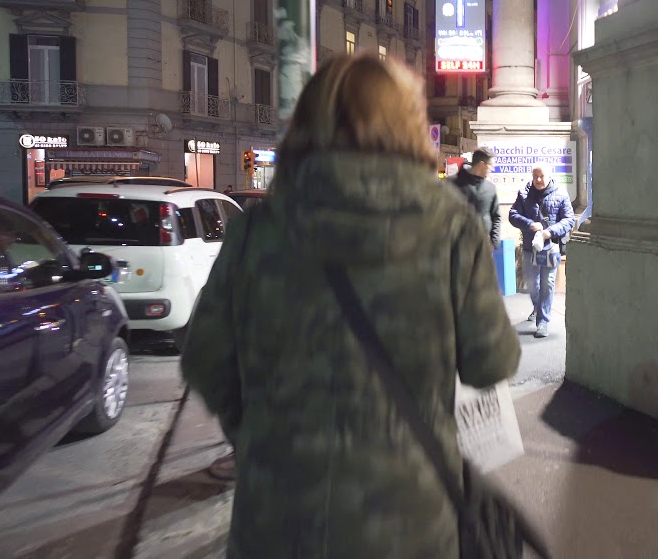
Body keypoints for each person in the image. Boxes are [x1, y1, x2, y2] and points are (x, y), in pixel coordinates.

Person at [180, 52, 521, 558]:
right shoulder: (451, 227)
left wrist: (259, 432)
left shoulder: (257, 231)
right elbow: (491, 361)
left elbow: (204, 359)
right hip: (409, 518)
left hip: (276, 519)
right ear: (408, 125)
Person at [509, 163, 575, 338]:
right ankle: (538, 307)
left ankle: (543, 321)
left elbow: (569, 220)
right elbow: (513, 215)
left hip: (550, 248)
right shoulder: (524, 194)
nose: (538, 179)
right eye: (535, 176)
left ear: (550, 176)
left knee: (548, 283)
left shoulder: (561, 194)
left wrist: (549, 232)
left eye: (541, 176)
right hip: (530, 248)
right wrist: (530, 224)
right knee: (533, 284)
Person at [451, 148, 501, 249]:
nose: (492, 169)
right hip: (457, 246)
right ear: (482, 164)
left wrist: (494, 242)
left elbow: (496, 217)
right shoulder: (452, 184)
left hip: (483, 246)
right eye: (491, 165)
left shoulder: (490, 188)